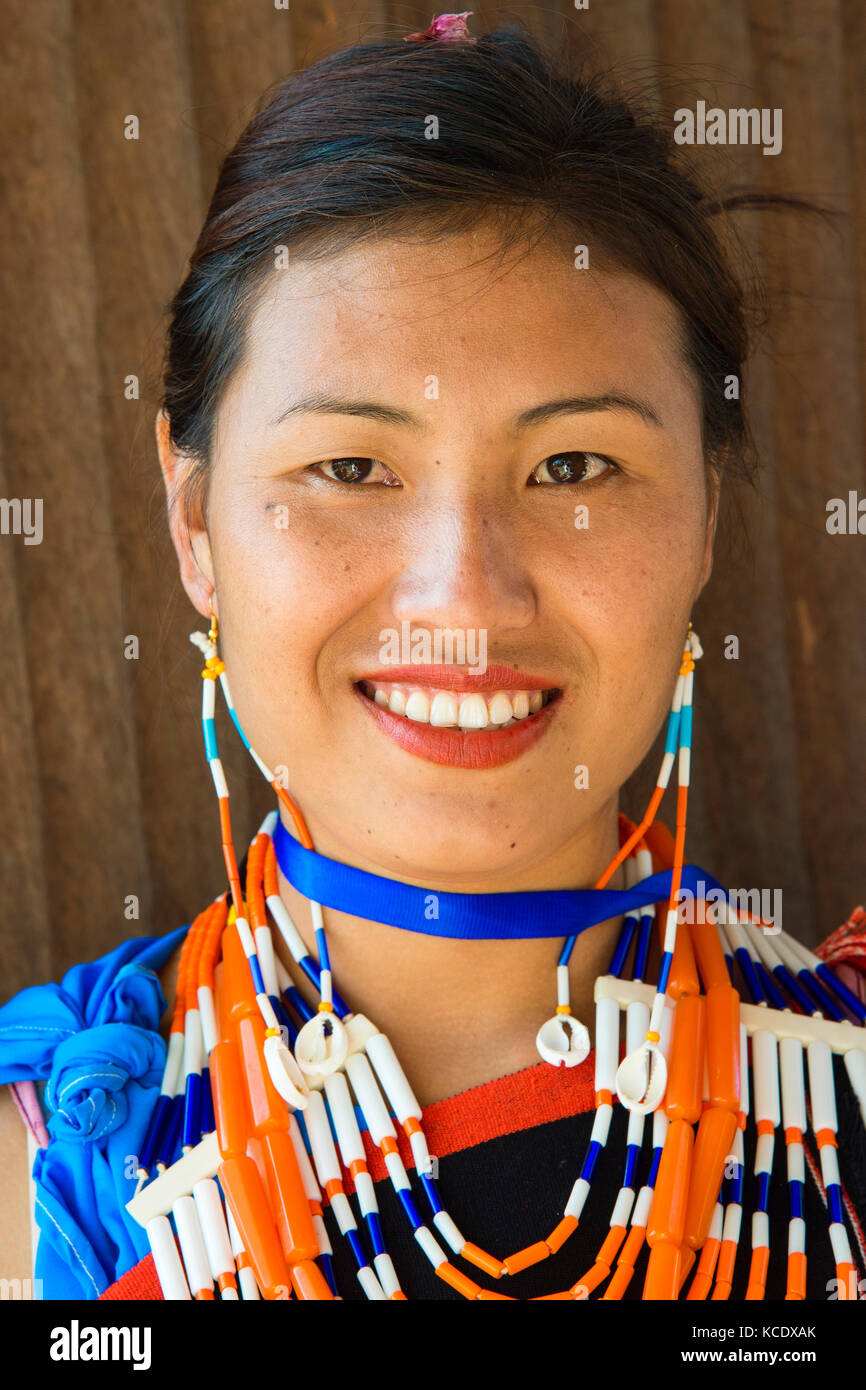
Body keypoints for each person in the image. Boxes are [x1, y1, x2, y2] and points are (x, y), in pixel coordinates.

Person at [2, 17, 864, 1303]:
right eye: (349, 468)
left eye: (572, 468)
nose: (462, 595)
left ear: (701, 525)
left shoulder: (833, 1068)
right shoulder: (45, 1175)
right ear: (197, 525)